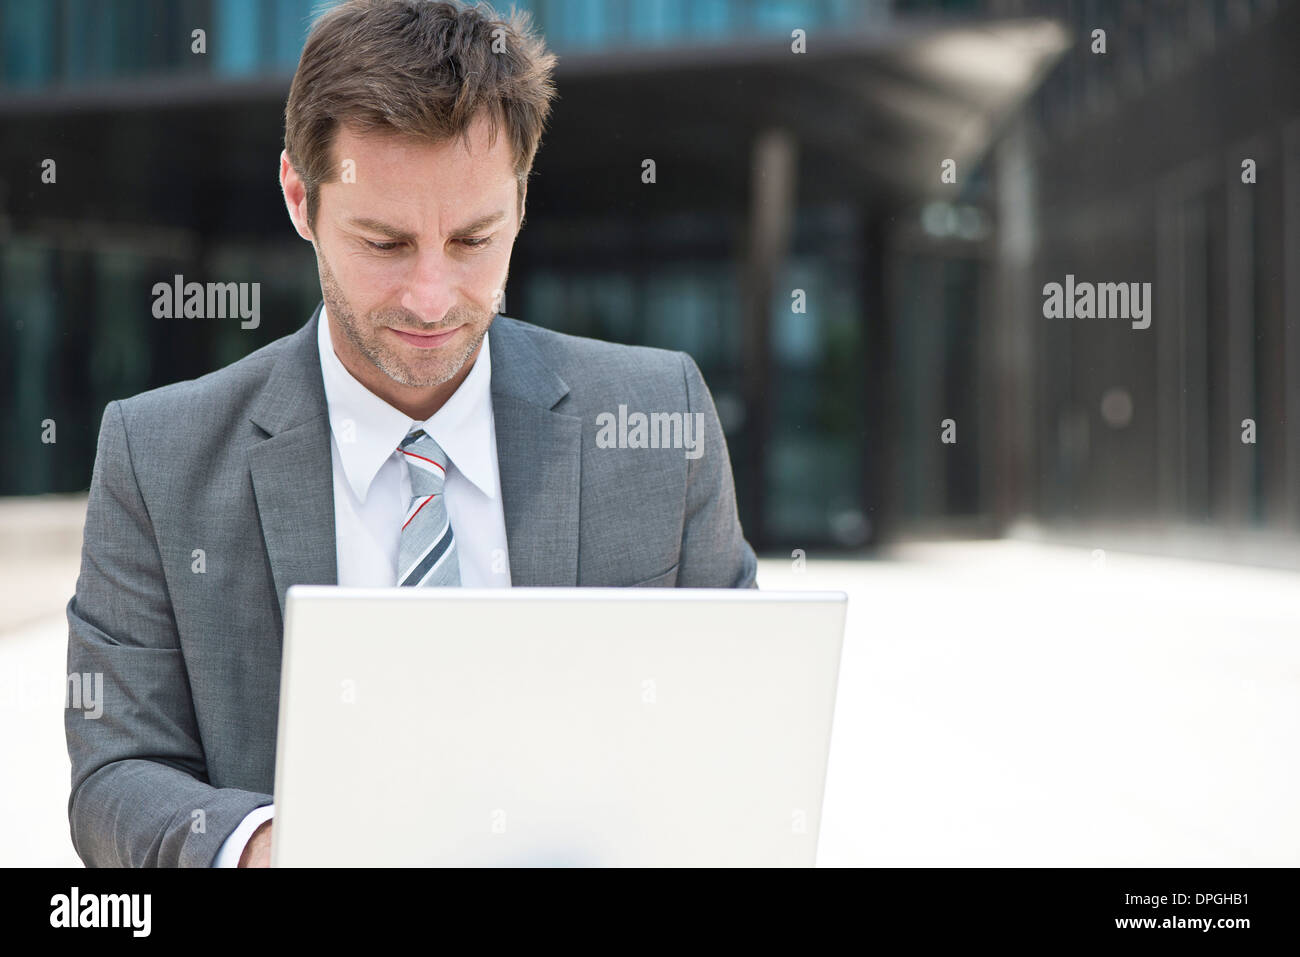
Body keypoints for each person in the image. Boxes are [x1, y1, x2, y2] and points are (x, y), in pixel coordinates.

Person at [64, 0, 757, 868]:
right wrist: (268, 848)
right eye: (385, 243)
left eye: (473, 239)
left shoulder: (662, 421)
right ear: (299, 198)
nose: (433, 298)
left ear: (521, 199)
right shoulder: (154, 458)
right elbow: (118, 773)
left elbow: (737, 734)